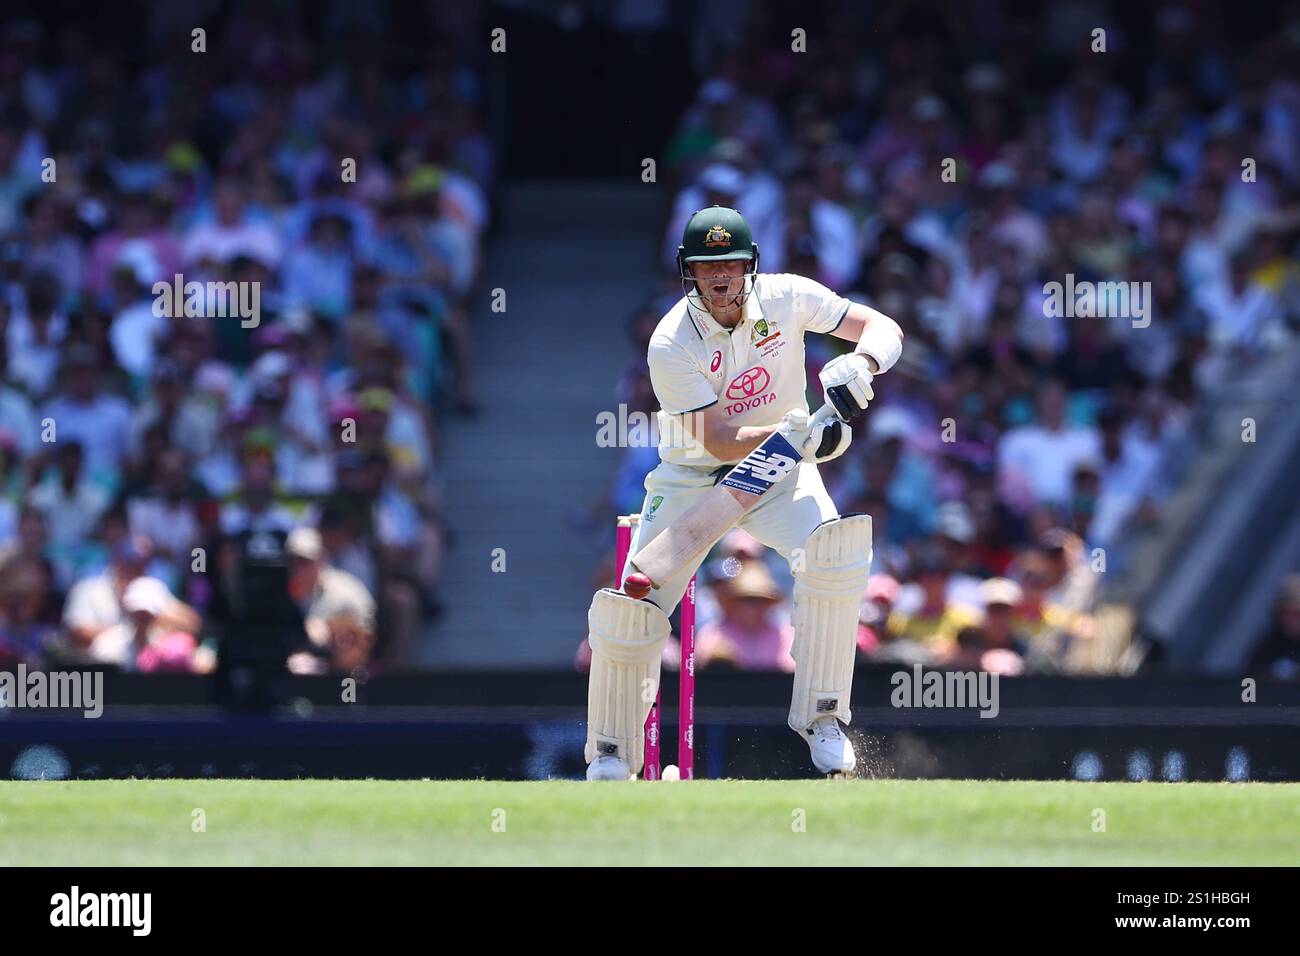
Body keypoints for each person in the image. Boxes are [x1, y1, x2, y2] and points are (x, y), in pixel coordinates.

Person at [584, 205, 903, 780]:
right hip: (692, 478)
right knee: (635, 604)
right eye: (708, 268)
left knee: (833, 555)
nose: (721, 278)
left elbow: (884, 328)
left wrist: (861, 363)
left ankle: (824, 718)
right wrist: (801, 435)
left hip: (782, 473)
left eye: (731, 264)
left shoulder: (786, 297)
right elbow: (721, 440)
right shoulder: (670, 342)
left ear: (751, 265)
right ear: (689, 272)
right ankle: (614, 752)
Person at [696, 561, 794, 672]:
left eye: (758, 600)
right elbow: (699, 671)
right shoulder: (711, 635)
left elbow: (792, 674)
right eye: (745, 600)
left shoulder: (784, 636)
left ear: (767, 604)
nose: (752, 607)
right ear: (733, 603)